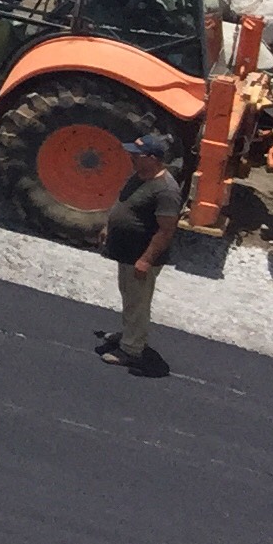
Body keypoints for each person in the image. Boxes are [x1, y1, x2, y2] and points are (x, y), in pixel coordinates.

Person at [96, 138, 184, 373]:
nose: (131, 157)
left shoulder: (167, 190)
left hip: (141, 256)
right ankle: (128, 334)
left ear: (152, 158)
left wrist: (146, 260)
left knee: (138, 302)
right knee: (128, 295)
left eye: (137, 154)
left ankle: (132, 349)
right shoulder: (139, 176)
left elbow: (166, 230)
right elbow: (123, 201)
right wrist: (109, 226)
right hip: (127, 252)